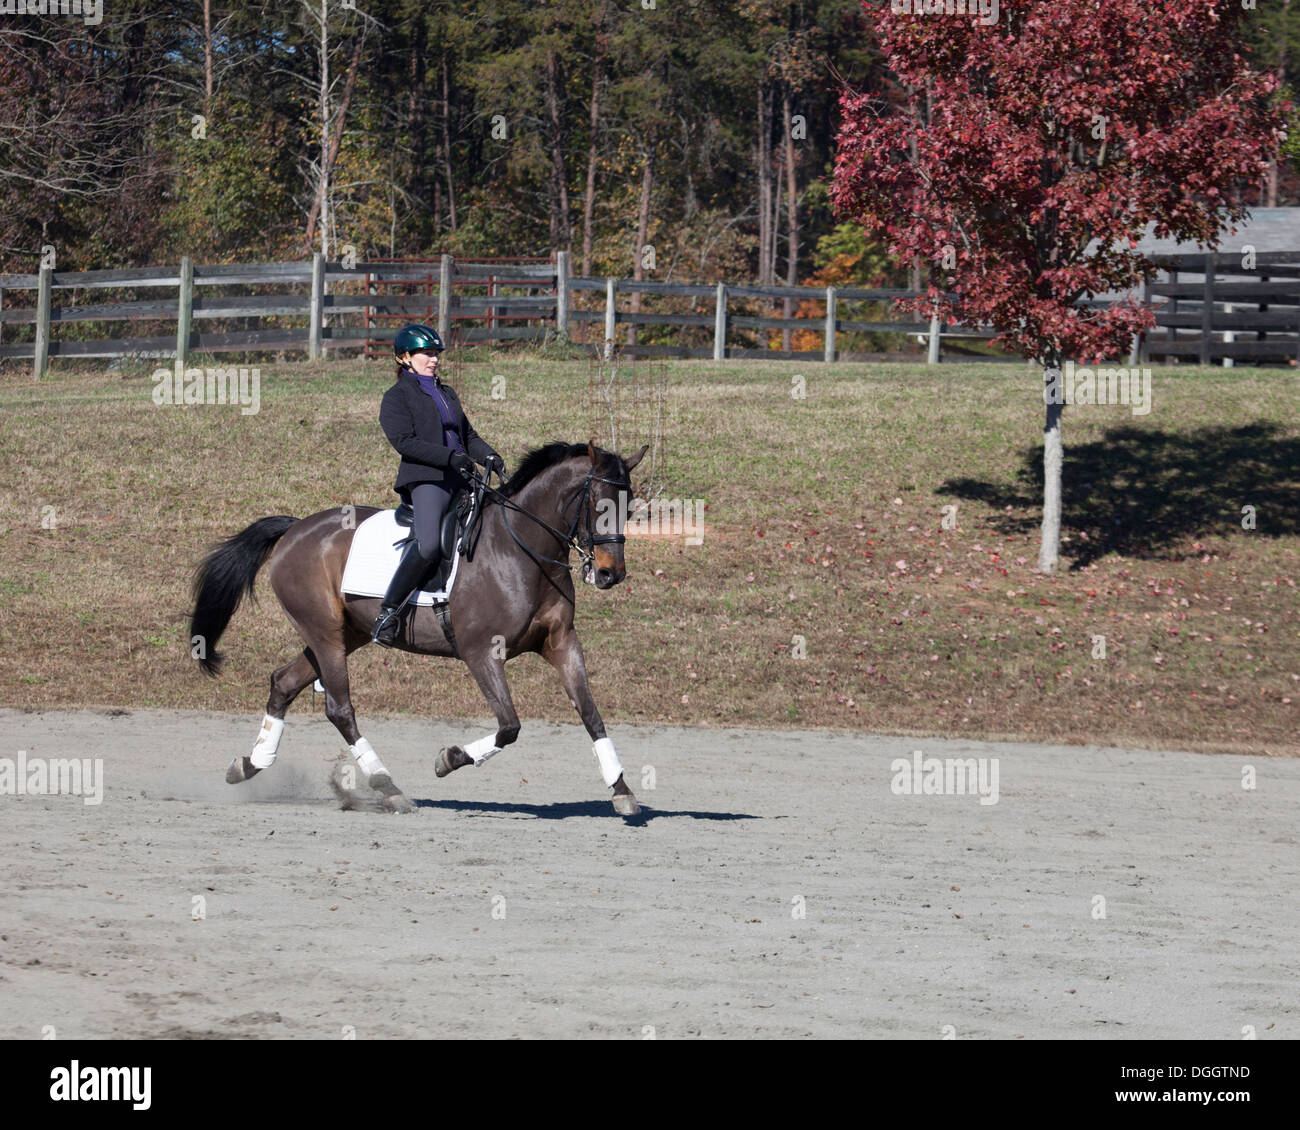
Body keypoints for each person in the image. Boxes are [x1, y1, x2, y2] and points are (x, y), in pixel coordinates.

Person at [372, 324, 505, 646]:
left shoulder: (446, 393)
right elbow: (404, 442)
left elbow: (467, 436)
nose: (434, 360)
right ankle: (388, 613)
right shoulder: (396, 397)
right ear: (405, 357)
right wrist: (448, 458)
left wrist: (490, 456)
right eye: (427, 354)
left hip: (461, 476)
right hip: (427, 479)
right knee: (429, 544)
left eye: (436, 354)